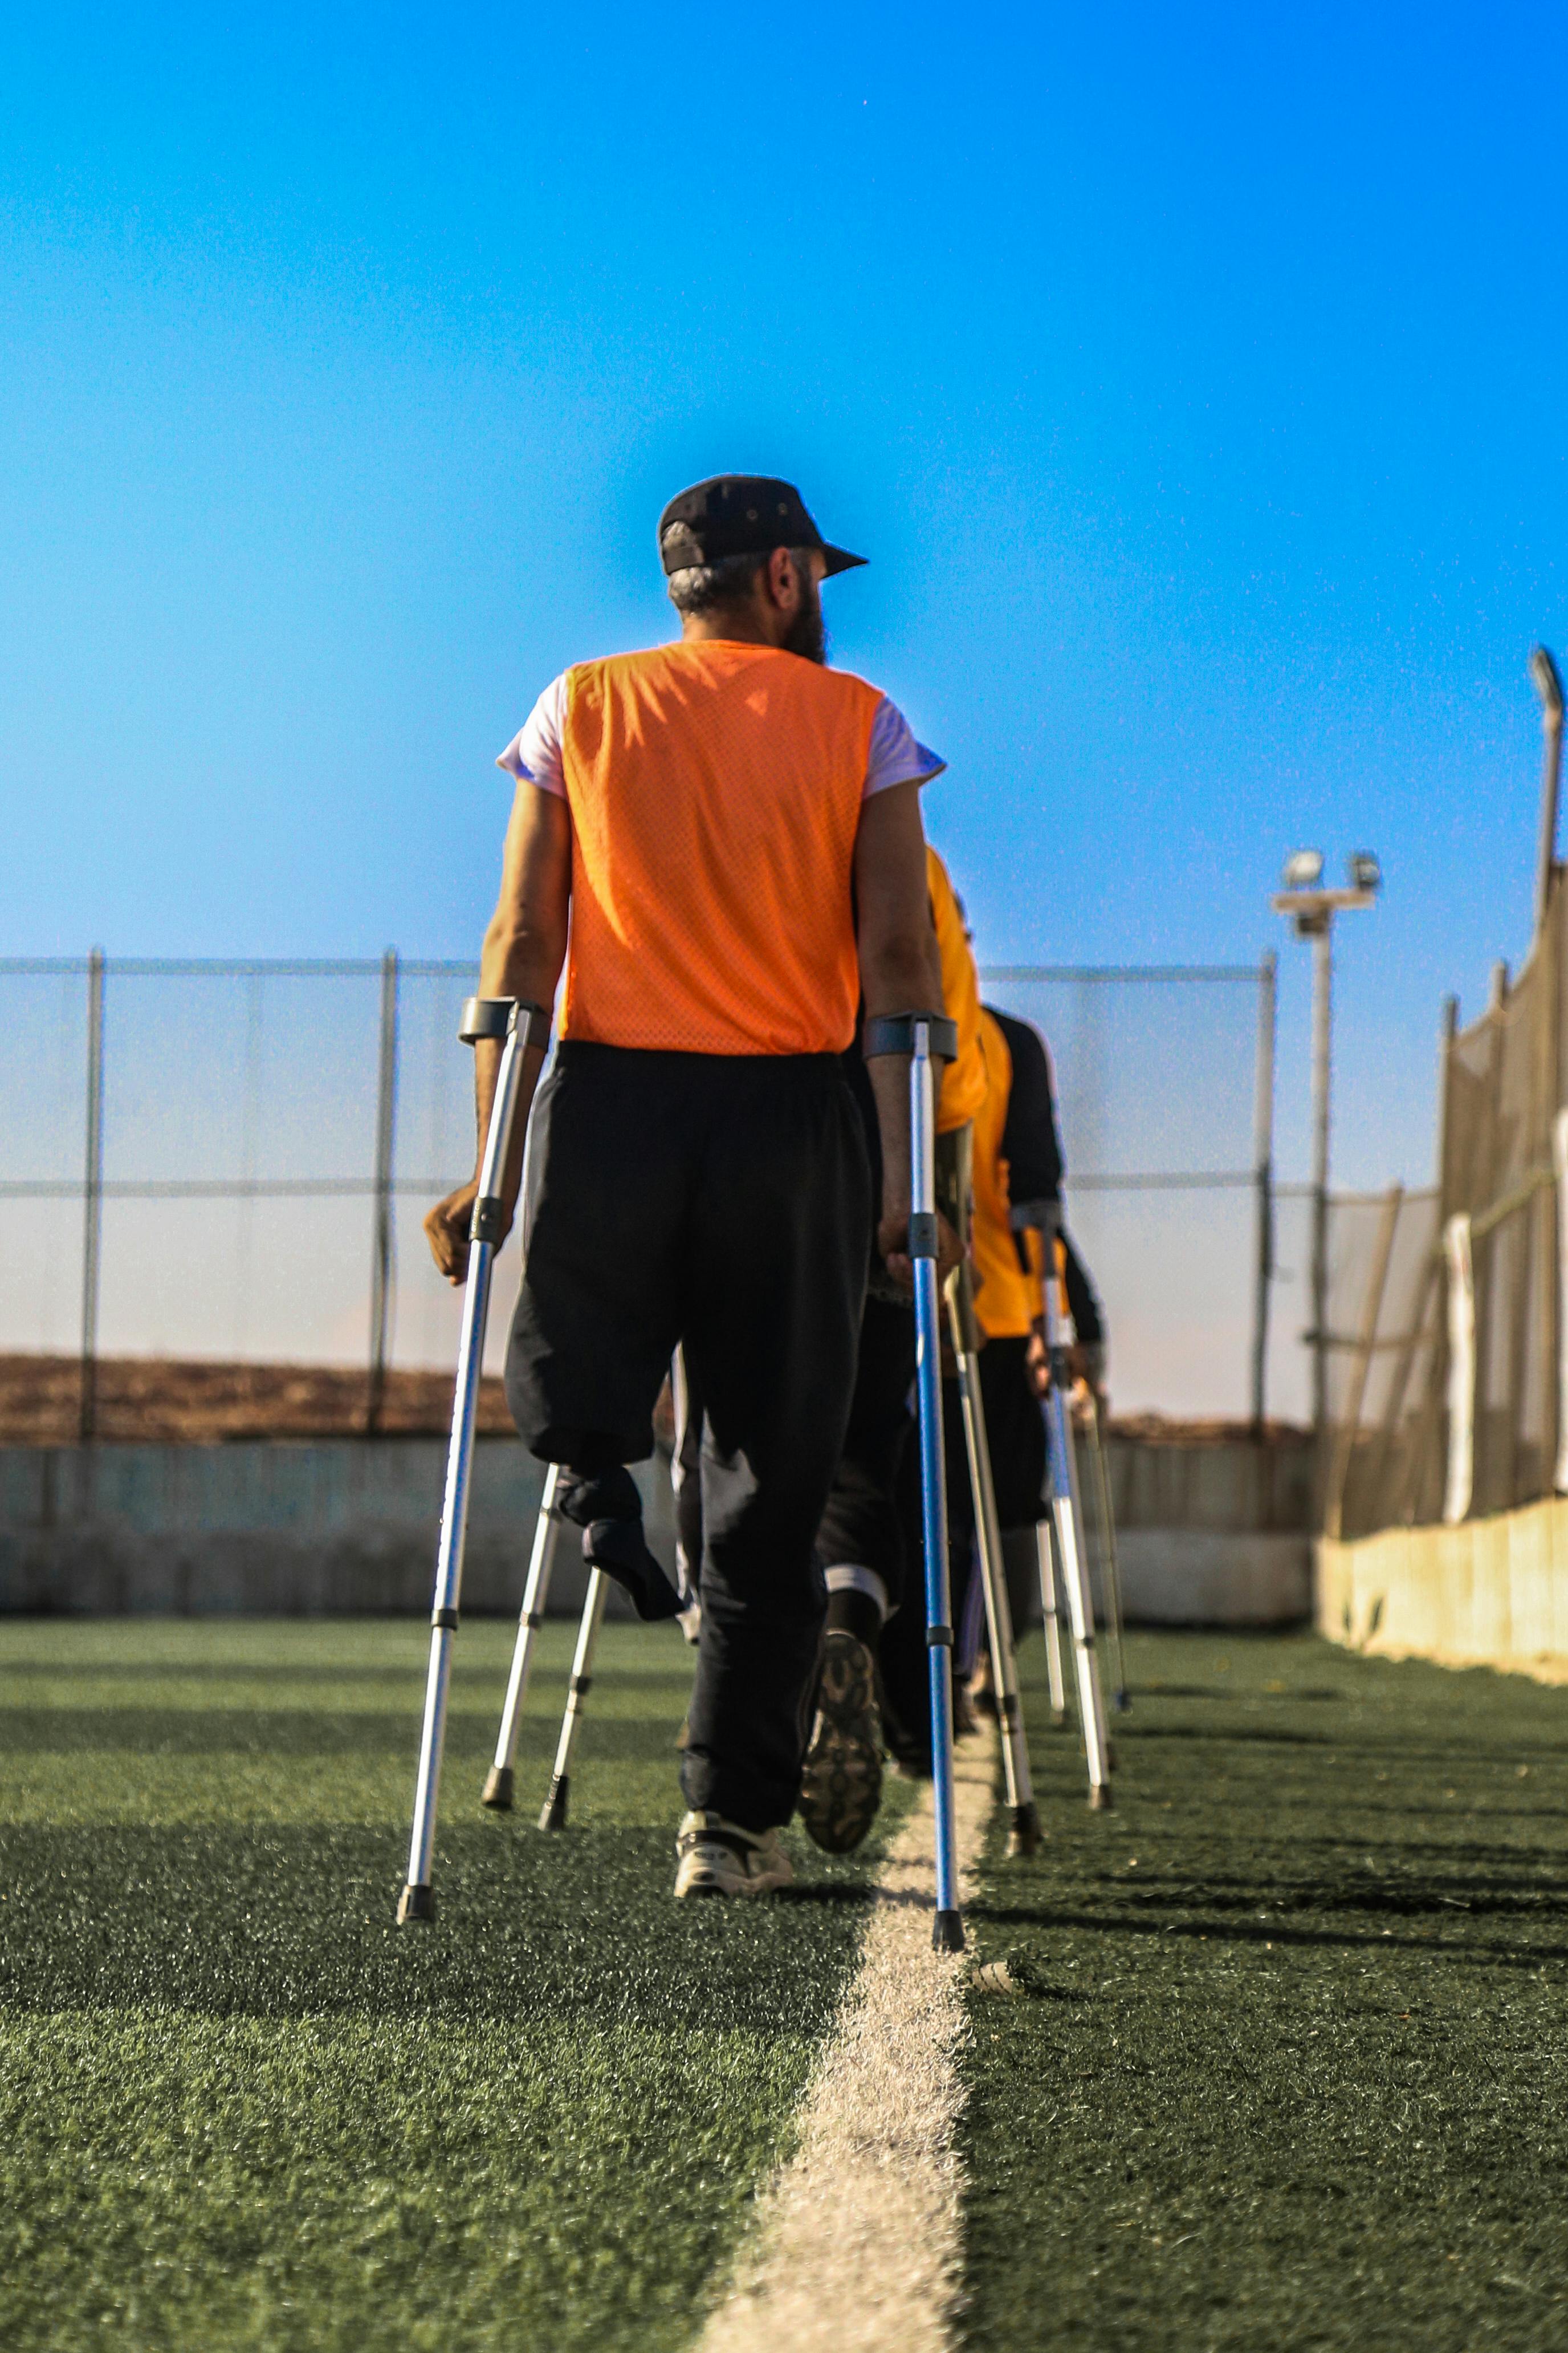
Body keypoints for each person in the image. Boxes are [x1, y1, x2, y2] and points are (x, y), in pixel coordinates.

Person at [423, 473, 948, 1901]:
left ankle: (599, 1495)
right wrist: (898, 1192)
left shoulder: (578, 705)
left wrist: (493, 1168)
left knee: (582, 1369)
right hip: (790, 1122)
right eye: (815, 575)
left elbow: (519, 943)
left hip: (611, 1106)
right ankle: (725, 1825)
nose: (820, 599)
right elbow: (898, 966)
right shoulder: (863, 723)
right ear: (781, 577)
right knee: (771, 1485)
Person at [797, 844, 984, 1847]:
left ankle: (743, 1716)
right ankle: (846, 1628)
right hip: (877, 1159)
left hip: (729, 1140)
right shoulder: (904, 848)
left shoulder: (698, 801)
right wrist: (916, 1195)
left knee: (733, 1445)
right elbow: (929, 1013)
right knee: (863, 1444)